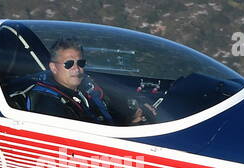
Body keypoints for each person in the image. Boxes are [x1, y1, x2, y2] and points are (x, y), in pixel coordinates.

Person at [23, 38, 153, 125]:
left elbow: (112, 109)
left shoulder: (87, 87)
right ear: (53, 67)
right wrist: (129, 127)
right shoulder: (47, 101)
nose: (76, 68)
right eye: (68, 64)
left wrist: (134, 113)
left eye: (80, 63)